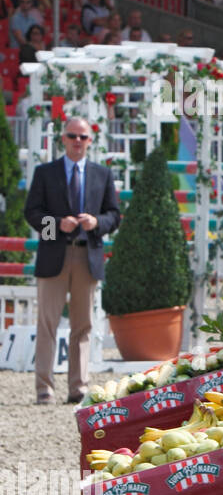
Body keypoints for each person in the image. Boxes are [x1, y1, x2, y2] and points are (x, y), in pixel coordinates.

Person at [23, 116, 122, 404]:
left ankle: (78, 387)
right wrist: (56, 224)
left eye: (83, 137)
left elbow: (113, 215)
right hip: (54, 253)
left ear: (90, 141)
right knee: (47, 323)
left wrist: (95, 222)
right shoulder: (45, 172)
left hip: (86, 254)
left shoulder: (102, 174)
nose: (77, 141)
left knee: (83, 325)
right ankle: (44, 388)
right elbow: (32, 213)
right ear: (63, 139)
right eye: (72, 136)